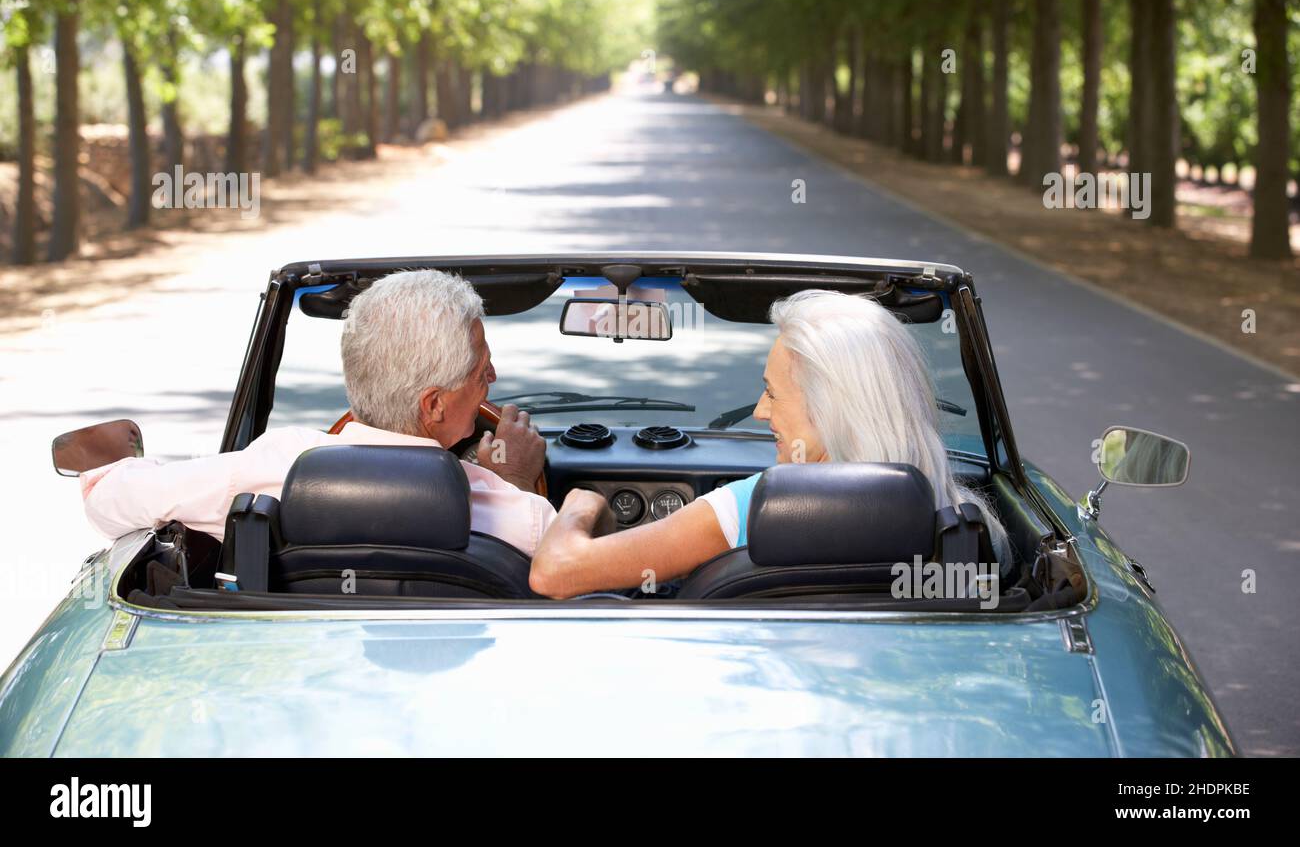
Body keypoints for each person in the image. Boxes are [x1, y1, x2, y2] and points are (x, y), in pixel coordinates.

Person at [529, 289, 1014, 598]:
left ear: (831, 412)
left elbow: (556, 572)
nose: (761, 411)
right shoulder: (967, 531)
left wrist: (577, 501)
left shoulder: (752, 508)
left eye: (772, 392)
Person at [79, 270, 554, 555]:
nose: (492, 377)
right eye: (480, 371)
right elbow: (583, 579)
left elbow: (106, 497)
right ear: (432, 405)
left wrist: (141, 468)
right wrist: (514, 479)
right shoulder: (511, 510)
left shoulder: (273, 465)